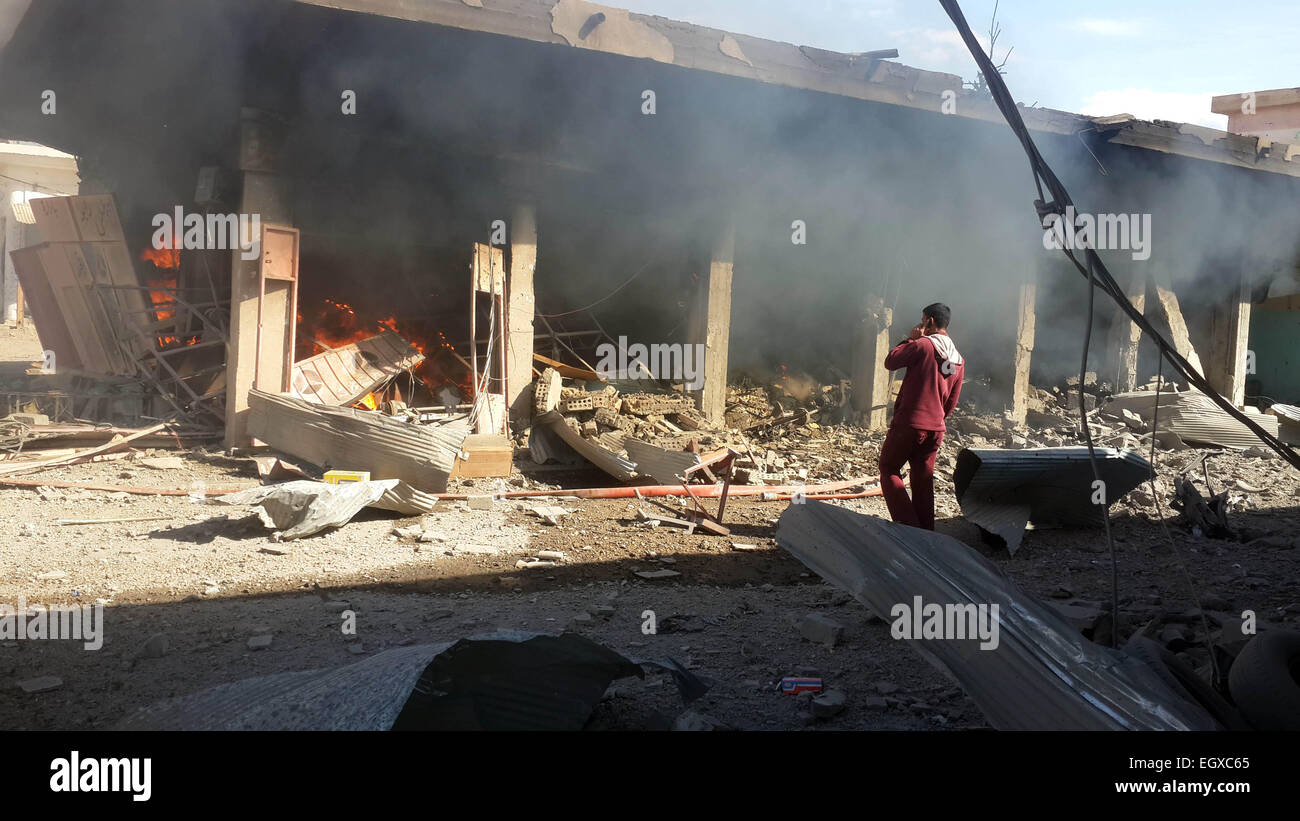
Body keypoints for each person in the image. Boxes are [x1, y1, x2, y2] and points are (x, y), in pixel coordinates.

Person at [878, 302, 965, 530]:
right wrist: (936, 419)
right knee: (922, 481)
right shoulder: (958, 359)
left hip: (910, 424)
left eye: (922, 319)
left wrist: (910, 339)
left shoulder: (923, 345)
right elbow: (952, 402)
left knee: (888, 469)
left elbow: (891, 361)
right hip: (936, 429)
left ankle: (908, 528)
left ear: (930, 321)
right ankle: (926, 533)